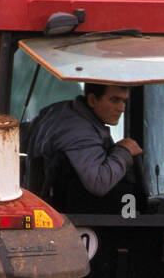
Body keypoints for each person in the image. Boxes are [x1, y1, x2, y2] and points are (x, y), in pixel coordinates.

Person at [27, 83, 144, 213]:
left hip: (42, 207)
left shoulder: (58, 113)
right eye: (115, 100)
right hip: (66, 218)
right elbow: (98, 182)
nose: (121, 108)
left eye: (124, 101)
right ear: (93, 100)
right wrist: (124, 151)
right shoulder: (78, 130)